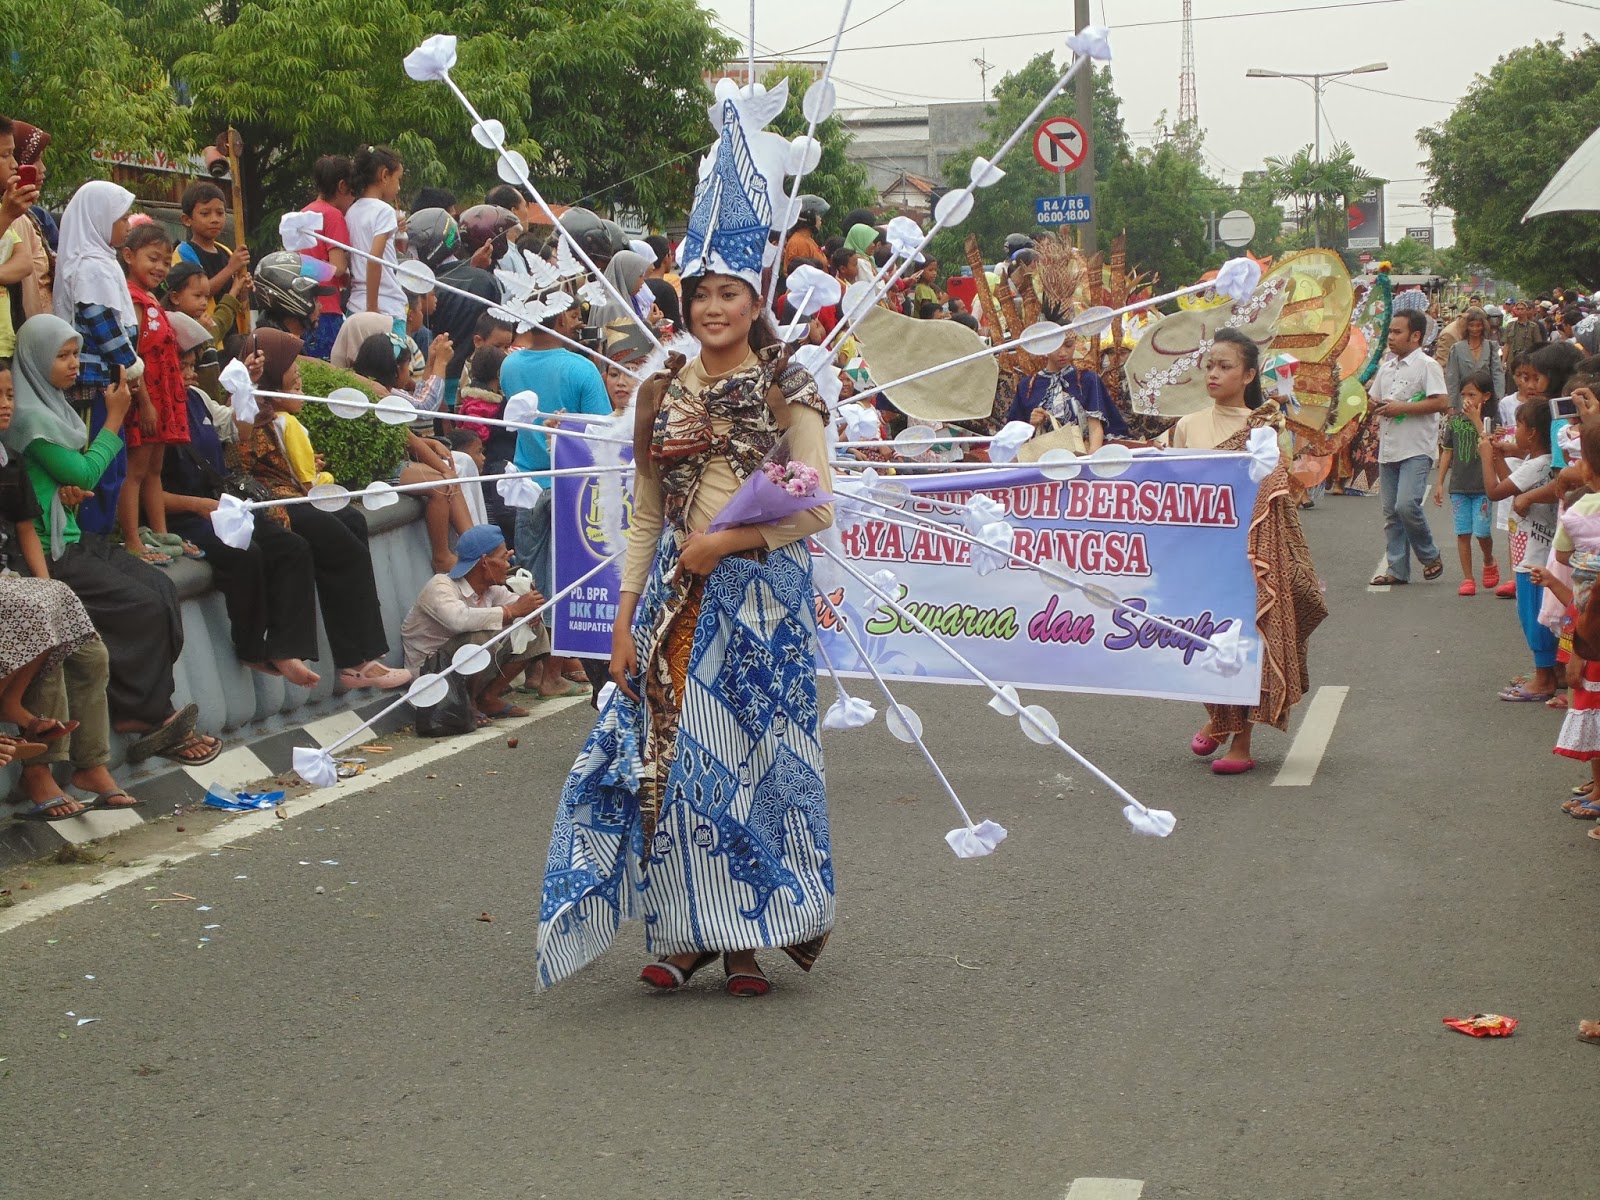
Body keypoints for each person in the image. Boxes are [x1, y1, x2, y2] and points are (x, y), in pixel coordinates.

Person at [536, 270, 837, 996]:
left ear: (755, 305)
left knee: (759, 764)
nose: (712, 309)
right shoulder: (659, 392)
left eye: (729, 295)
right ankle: (686, 931)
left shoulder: (786, 387)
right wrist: (621, 621)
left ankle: (749, 941)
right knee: (676, 770)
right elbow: (644, 516)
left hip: (765, 600)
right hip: (676, 597)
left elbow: (817, 507)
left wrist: (724, 544)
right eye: (700, 297)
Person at [4, 314, 218, 765]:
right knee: (136, 605)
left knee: (160, 589)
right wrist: (115, 419)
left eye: (75, 354)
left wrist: (71, 489)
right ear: (36, 360)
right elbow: (85, 471)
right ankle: (146, 715)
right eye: (61, 356)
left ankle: (153, 708)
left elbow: (73, 482)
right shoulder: (25, 419)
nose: (73, 365)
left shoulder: (54, 409)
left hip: (73, 537)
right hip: (49, 551)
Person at [1177, 328, 1326, 775]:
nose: (1214, 374)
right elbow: (1171, 487)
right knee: (1199, 637)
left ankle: (1240, 742)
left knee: (1239, 643)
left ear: (1249, 374)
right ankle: (1219, 718)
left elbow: (1274, 486)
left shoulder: (1263, 425)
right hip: (1198, 551)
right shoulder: (1187, 425)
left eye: (1225, 366)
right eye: (1209, 366)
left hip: (1246, 552)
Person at [234, 329, 410, 691]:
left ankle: (359, 656)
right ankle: (355, 662)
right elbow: (243, 459)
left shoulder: (276, 412)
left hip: (291, 491)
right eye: (290, 371)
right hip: (268, 501)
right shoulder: (247, 404)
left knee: (352, 520)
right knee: (337, 544)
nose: (298, 378)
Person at [159, 315, 321, 687]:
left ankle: (286, 647)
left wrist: (244, 388)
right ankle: (250, 647)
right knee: (245, 553)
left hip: (220, 507)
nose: (188, 374)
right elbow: (144, 489)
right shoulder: (151, 412)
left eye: (190, 366)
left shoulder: (196, 399)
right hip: (188, 514)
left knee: (291, 546)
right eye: (179, 367)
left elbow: (239, 430)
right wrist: (200, 506)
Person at [502, 297, 611, 698]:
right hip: (568, 487)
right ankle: (551, 673)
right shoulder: (581, 368)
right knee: (567, 582)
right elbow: (599, 431)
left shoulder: (510, 365)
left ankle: (533, 671)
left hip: (525, 485)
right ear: (563, 316)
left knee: (531, 581)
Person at [347, 326, 472, 573]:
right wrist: (441, 363)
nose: (410, 373)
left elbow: (408, 435)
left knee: (448, 477)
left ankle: (474, 543)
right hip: (379, 467)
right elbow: (422, 410)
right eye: (407, 367)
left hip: (391, 458)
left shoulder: (378, 388)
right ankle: (442, 556)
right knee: (441, 483)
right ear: (396, 371)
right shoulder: (380, 394)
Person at [399, 524, 545, 723]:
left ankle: (486, 698)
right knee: (479, 637)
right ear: (485, 562)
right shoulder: (440, 586)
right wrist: (512, 611)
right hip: (433, 673)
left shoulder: (491, 589)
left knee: (530, 625)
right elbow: (459, 620)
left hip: (465, 670)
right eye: (503, 558)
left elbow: (516, 604)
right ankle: (466, 705)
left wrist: (530, 610)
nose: (508, 563)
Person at [118, 221, 196, 565]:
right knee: (134, 471)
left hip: (165, 398)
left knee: (154, 470)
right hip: (145, 399)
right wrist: (146, 402)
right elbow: (131, 357)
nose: (160, 268)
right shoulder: (129, 299)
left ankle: (161, 534)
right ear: (129, 256)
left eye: (166, 261)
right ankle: (132, 539)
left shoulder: (151, 298)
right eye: (153, 258)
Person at [1479, 398, 1557, 702]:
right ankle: (1547, 673)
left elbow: (1495, 491)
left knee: (1533, 616)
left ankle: (1543, 679)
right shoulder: (1541, 461)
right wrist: (1498, 455)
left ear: (1533, 433)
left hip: (1534, 555)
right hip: (1540, 548)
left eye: (1520, 427)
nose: (1516, 433)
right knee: (1541, 614)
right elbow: (1511, 482)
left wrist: (1486, 456)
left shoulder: (1537, 464)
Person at [1368, 310, 1449, 586]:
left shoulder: (1427, 366)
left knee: (1406, 505)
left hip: (1416, 447)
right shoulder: (1386, 368)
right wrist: (1372, 405)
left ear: (1416, 336)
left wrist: (1402, 407)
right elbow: (1374, 399)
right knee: (1391, 512)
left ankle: (1429, 554)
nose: (1391, 337)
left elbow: (1441, 402)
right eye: (1390, 332)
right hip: (1389, 447)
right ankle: (1397, 570)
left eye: (1397, 332)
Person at [1433, 369, 1501, 596]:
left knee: (1482, 532)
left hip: (1483, 486)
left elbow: (1490, 443)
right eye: (1464, 395)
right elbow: (1447, 453)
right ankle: (1468, 578)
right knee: (1463, 532)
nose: (1467, 400)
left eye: (1472, 395)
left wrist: (1476, 420)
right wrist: (1441, 483)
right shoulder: (1454, 421)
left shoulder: (1493, 421)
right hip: (1459, 486)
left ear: (1486, 396)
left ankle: (1489, 559)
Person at [1009, 332, 1126, 454]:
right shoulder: (1027, 386)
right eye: (1056, 347)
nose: (1063, 353)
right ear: (1045, 347)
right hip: (1042, 458)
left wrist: (1092, 458)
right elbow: (1014, 436)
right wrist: (1032, 424)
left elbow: (1095, 424)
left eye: (1068, 345)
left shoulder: (1088, 379)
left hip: (1081, 456)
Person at [344, 145, 407, 330]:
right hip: (384, 307)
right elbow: (373, 259)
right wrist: (373, 310)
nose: (399, 187)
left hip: (355, 305)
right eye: (398, 179)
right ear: (384, 175)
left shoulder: (352, 211)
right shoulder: (384, 211)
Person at [300, 154, 355, 359]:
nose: (353, 200)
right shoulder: (333, 215)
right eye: (353, 192)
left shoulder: (305, 212)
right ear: (342, 186)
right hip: (327, 309)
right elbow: (337, 267)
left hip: (303, 307)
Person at [174, 181, 250, 320]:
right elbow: (199, 292)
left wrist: (242, 288)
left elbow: (234, 295)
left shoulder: (227, 252)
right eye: (205, 214)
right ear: (187, 219)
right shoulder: (184, 252)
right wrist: (230, 268)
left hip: (230, 326)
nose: (214, 219)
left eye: (220, 213)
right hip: (206, 329)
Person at [1444, 306, 1504, 407]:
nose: (1475, 329)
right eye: (1471, 325)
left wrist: (1498, 399)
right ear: (1466, 327)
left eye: (1478, 325)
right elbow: (1452, 378)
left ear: (1483, 326)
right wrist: (1451, 405)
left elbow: (1497, 375)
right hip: (1463, 402)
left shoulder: (1491, 346)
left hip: (1486, 402)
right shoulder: (1457, 348)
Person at [1502, 300, 1546, 367]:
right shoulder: (1510, 325)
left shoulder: (1533, 327)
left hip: (1527, 361)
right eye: (1518, 309)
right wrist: (1503, 362)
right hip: (1512, 361)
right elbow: (1507, 344)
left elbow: (1538, 345)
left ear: (1527, 310)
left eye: (1522, 309)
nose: (1520, 311)